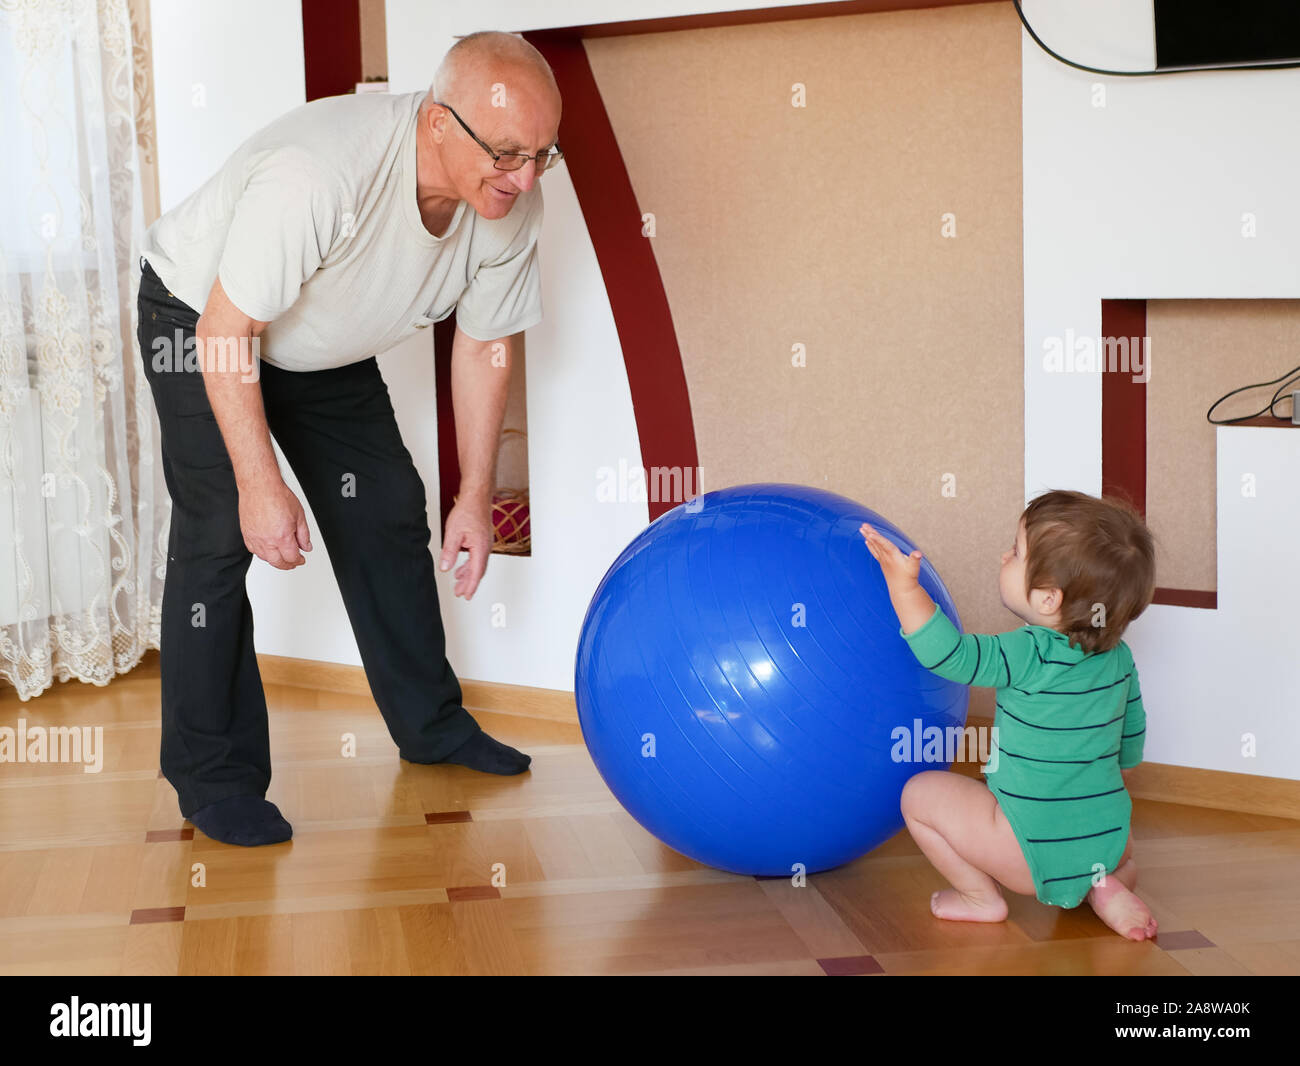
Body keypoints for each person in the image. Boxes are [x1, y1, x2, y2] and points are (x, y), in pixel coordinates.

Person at [135, 31, 562, 846]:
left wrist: (475, 497)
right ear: (438, 123)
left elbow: (483, 344)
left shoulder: (510, 200)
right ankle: (213, 777)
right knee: (221, 528)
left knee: (389, 506)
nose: (526, 178)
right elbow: (230, 330)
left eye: (544, 154)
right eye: (508, 154)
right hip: (205, 320)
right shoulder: (321, 175)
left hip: (319, 337)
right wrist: (261, 485)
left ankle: (432, 725)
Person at [860, 490, 1159, 941]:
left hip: (1025, 850)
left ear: (1047, 600)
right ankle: (1106, 885)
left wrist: (905, 587)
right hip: (1111, 841)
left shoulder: (1028, 651)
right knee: (1110, 857)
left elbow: (951, 656)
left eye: (1016, 552)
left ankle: (981, 898)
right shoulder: (1119, 659)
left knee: (918, 796)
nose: (1005, 555)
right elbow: (1131, 749)